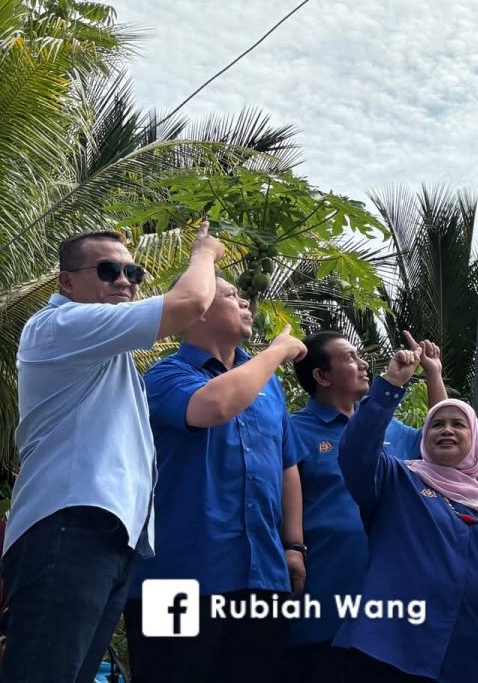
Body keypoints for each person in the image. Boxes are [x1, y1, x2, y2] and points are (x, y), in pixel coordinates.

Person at [1, 224, 222, 683]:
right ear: (66, 282)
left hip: (106, 531)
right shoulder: (60, 325)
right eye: (108, 270)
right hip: (70, 519)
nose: (125, 280)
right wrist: (203, 254)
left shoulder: (105, 352)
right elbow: (189, 304)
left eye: (132, 271)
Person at [124, 276, 308, 683]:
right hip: (175, 575)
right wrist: (277, 350)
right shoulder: (162, 376)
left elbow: (287, 465)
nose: (245, 303)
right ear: (201, 309)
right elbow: (213, 406)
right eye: (231, 296)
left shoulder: (267, 385)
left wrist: (293, 544)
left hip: (262, 574)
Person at [337, 345, 478, 682]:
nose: (446, 430)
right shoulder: (398, 480)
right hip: (391, 654)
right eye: (436, 424)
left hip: (470, 664)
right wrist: (392, 383)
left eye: (458, 424)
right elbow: (355, 451)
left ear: (476, 439)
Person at [282, 330, 447, 680]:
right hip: (325, 602)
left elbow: (441, 444)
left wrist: (433, 373)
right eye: (350, 357)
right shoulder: (293, 430)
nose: (363, 363)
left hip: (389, 608)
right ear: (322, 376)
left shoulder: (390, 428)